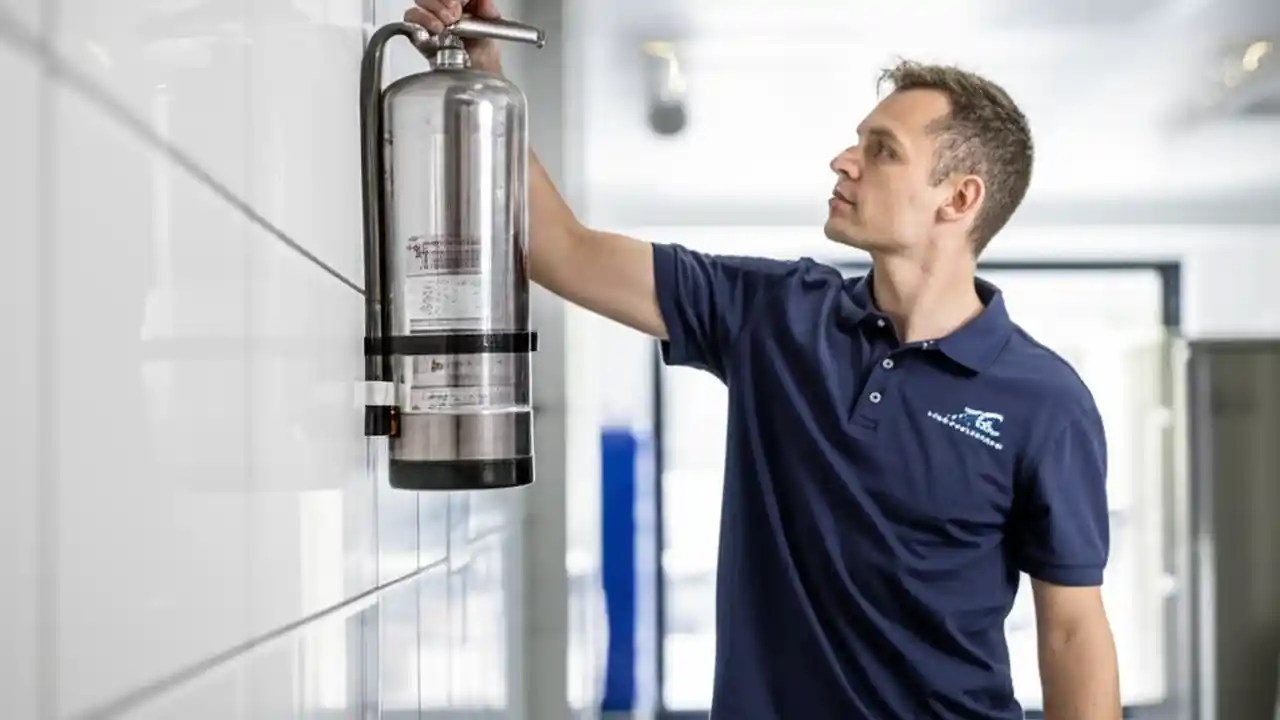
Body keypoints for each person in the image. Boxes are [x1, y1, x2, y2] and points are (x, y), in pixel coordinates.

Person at [411, 1, 1123, 717]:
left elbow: (1070, 630)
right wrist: (487, 82)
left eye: (882, 150)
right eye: (858, 142)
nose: (844, 161)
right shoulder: (773, 312)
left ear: (959, 198)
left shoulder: (1045, 400)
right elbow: (560, 250)